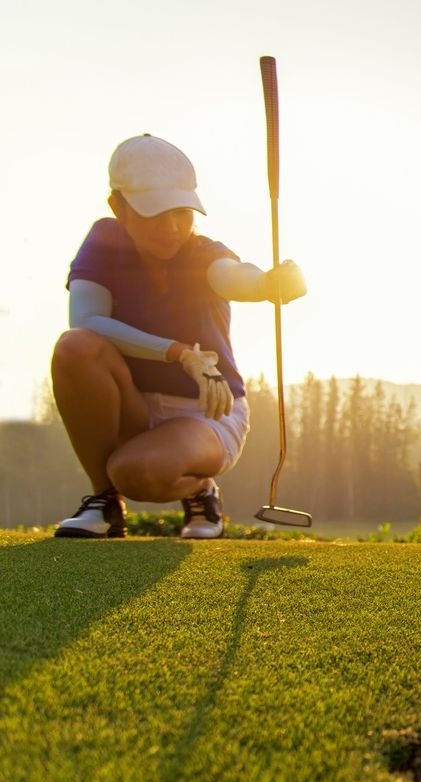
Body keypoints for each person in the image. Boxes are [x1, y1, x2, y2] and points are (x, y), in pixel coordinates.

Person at [51, 134, 306, 539]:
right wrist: (178, 353)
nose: (171, 227)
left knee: (134, 474)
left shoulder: (203, 251)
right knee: (74, 348)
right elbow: (86, 320)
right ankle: (103, 501)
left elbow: (232, 276)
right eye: (154, 214)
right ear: (119, 207)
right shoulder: (104, 241)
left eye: (182, 213)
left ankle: (201, 490)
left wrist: (266, 284)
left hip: (208, 411)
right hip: (133, 405)